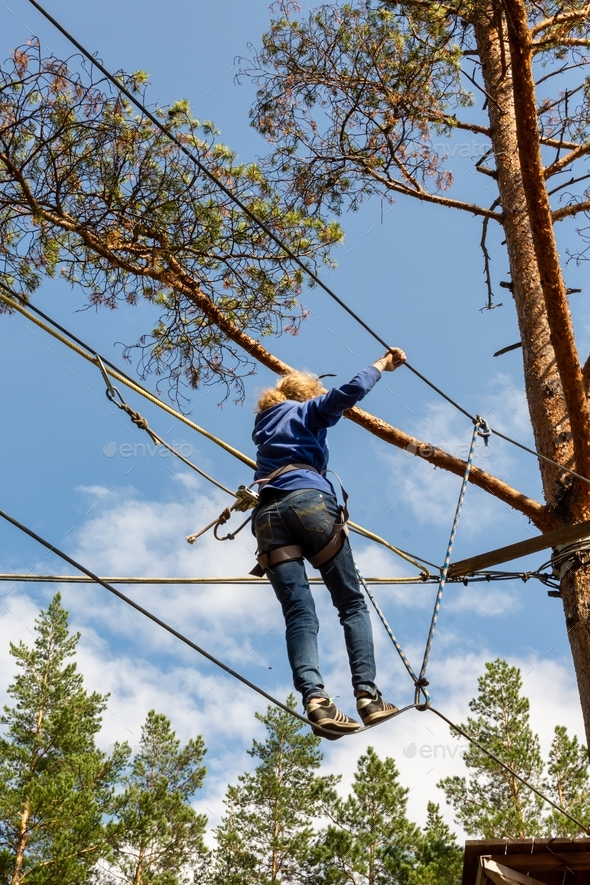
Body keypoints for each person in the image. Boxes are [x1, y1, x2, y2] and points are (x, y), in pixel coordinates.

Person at [251, 349, 406, 738]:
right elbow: (348, 392)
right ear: (307, 395)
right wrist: (382, 365)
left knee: (299, 614)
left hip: (268, 518)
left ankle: (316, 701)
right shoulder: (306, 411)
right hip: (308, 504)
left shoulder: (265, 426)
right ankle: (367, 697)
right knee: (351, 602)